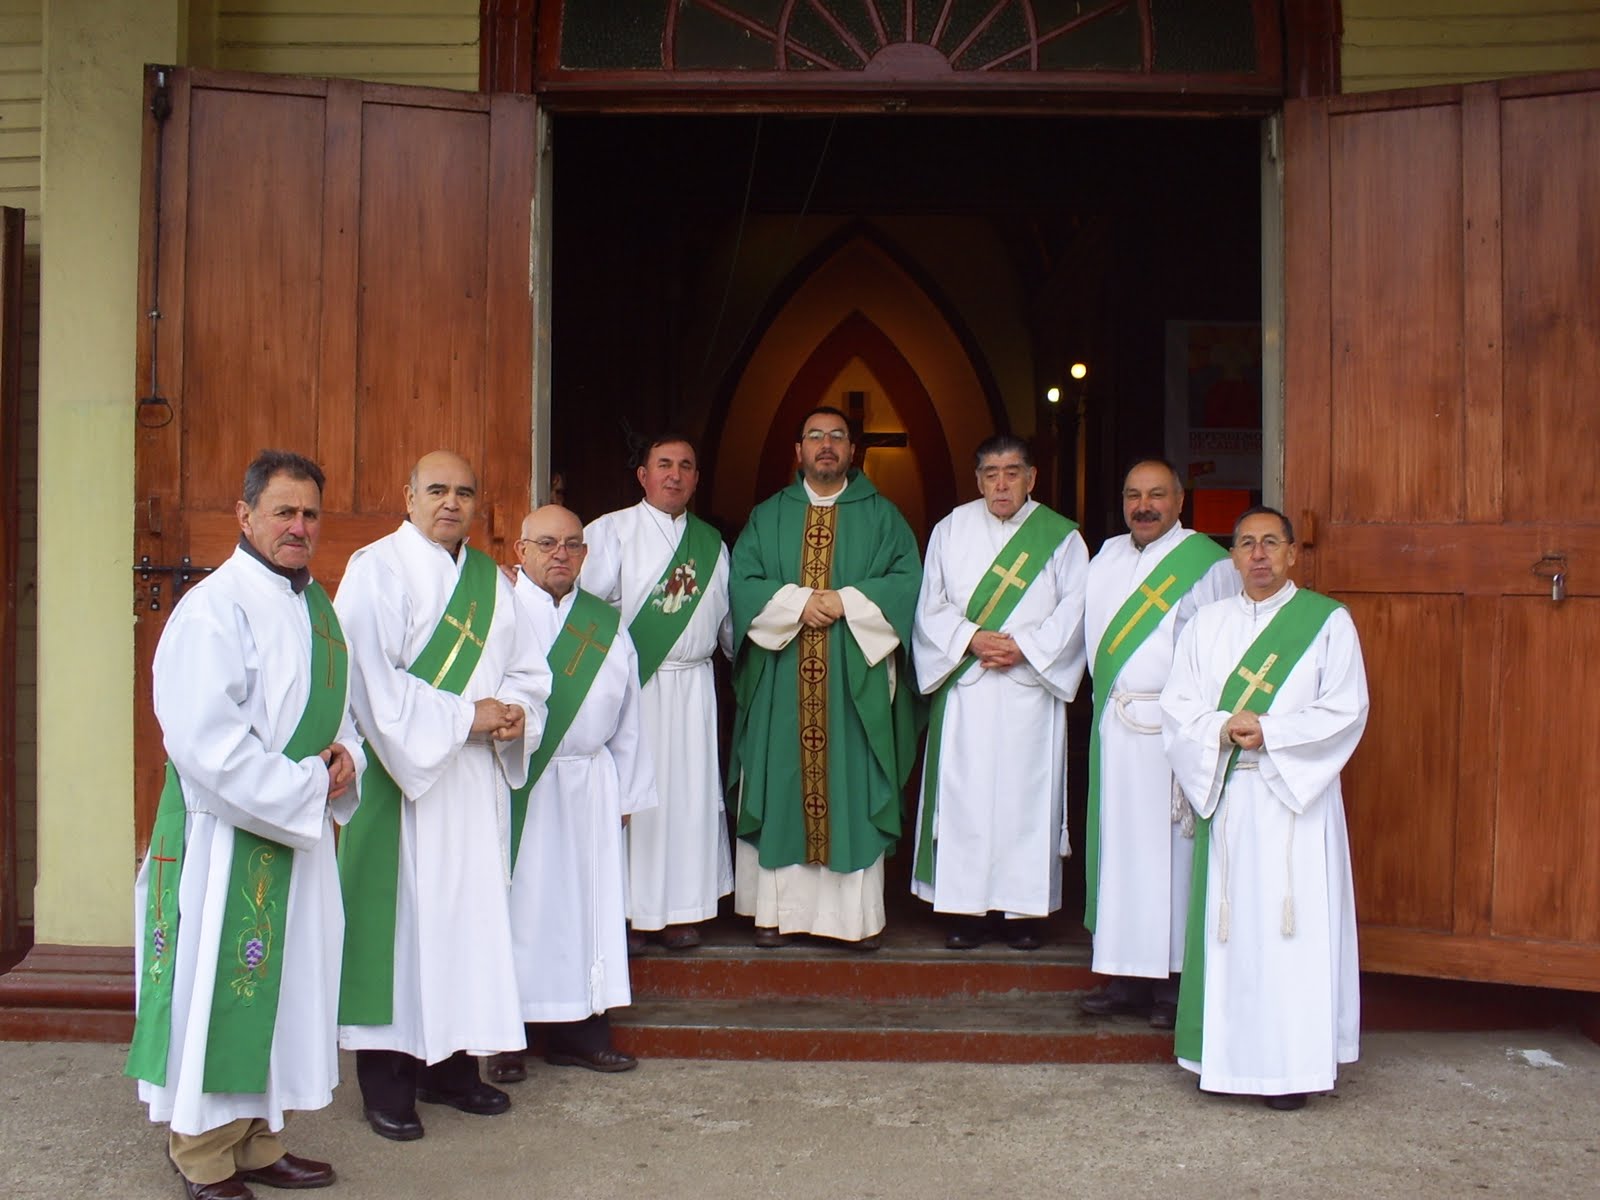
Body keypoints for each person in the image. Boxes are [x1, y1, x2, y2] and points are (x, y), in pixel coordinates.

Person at [126, 450, 363, 1200]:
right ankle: (201, 1149)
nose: (299, 527)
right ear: (246, 515)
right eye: (284, 512)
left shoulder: (314, 607)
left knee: (285, 988)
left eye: (310, 514)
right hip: (229, 840)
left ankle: (258, 1138)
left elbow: (340, 714)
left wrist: (345, 758)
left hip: (293, 832)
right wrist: (304, 785)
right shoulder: (214, 608)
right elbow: (205, 744)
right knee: (221, 988)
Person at [334, 450, 551, 1141]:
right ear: (408, 495)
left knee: (466, 922)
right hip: (406, 783)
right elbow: (371, 683)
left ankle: (453, 1069)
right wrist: (468, 717)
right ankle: (389, 1078)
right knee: (401, 929)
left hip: (474, 781)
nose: (450, 503)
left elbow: (527, 670)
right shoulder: (377, 570)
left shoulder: (491, 581)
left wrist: (518, 712)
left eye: (464, 491)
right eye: (436, 490)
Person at [1160, 506, 1368, 1110]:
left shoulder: (1328, 622)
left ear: (1292, 553)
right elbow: (1179, 707)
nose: (1257, 555)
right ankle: (1225, 1061)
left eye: (1270, 543)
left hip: (1295, 803)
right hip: (1228, 795)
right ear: (1232, 556)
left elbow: (1346, 709)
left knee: (1293, 931)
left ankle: (1291, 1069)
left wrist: (1270, 730)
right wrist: (1222, 729)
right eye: (1246, 544)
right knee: (1230, 932)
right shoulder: (1206, 624)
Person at [728, 405, 921, 950]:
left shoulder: (883, 516)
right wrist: (798, 603)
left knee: (851, 788)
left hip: (852, 685)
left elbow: (907, 581)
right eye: (815, 436)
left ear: (853, 451)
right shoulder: (769, 516)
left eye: (837, 436)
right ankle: (776, 914)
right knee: (781, 778)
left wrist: (844, 601)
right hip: (781, 678)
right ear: (798, 451)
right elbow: (742, 584)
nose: (827, 445)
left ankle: (853, 920)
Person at [491, 505, 658, 1080]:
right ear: (521, 551)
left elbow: (631, 718)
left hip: (590, 782)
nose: (559, 554)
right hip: (520, 783)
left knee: (586, 909)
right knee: (521, 908)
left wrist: (628, 795)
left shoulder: (605, 626)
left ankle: (581, 1033)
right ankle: (506, 1037)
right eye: (546, 544)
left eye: (571, 544)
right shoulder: (500, 615)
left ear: (585, 555)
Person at [911, 435, 1087, 950]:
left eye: (1013, 472)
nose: (1002, 483)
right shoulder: (951, 529)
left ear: (1032, 478)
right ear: (979, 479)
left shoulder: (1060, 539)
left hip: (1029, 688)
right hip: (968, 686)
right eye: (991, 473)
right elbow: (931, 603)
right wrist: (970, 638)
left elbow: (1077, 609)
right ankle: (966, 910)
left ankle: (1022, 913)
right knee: (964, 798)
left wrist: (1026, 647)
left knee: (1024, 800)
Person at [1079, 459, 1239, 1028]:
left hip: (1175, 731)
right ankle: (1124, 976)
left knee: (1174, 856)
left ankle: (1173, 981)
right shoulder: (1105, 558)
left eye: (1155, 495)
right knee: (1121, 853)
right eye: (1132, 495)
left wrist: (1201, 727)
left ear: (1180, 500)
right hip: (1117, 728)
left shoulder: (1208, 563)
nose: (1142, 506)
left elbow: (1225, 649)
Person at [581, 435, 733, 951]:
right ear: (642, 476)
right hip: (634, 687)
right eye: (663, 465)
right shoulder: (610, 531)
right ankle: (627, 912)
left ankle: (683, 911)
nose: (674, 475)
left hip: (693, 687)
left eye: (686, 466)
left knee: (687, 799)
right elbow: (580, 611)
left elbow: (729, 626)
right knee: (635, 799)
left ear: (696, 479)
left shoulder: (712, 544)